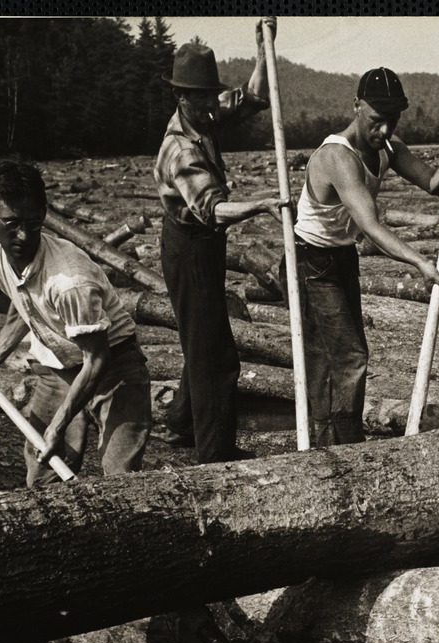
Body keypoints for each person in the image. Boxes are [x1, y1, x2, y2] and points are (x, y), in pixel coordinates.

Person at [292, 66, 439, 446]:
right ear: (356, 106)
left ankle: (340, 441)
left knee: (345, 357)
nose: (385, 131)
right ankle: (340, 449)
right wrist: (421, 262)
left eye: (392, 121)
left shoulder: (388, 148)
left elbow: (433, 184)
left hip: (341, 258)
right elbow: (371, 227)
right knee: (345, 359)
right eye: (377, 121)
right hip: (310, 262)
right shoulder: (336, 156)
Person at [0, 161, 152, 487]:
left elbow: (98, 359)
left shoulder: (69, 280)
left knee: (121, 478)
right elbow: (23, 308)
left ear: (45, 213)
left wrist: (57, 425)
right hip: (57, 366)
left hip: (113, 365)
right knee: (43, 476)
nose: (22, 235)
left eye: (33, 224)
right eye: (11, 223)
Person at [154, 20, 284, 463]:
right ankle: (216, 457)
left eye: (212, 94)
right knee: (217, 358)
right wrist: (261, 203)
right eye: (201, 95)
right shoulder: (180, 150)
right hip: (189, 248)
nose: (211, 102)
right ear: (181, 96)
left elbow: (253, 96)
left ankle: (180, 425)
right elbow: (212, 208)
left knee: (200, 339)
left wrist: (262, 50)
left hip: (205, 245)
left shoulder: (204, 113)